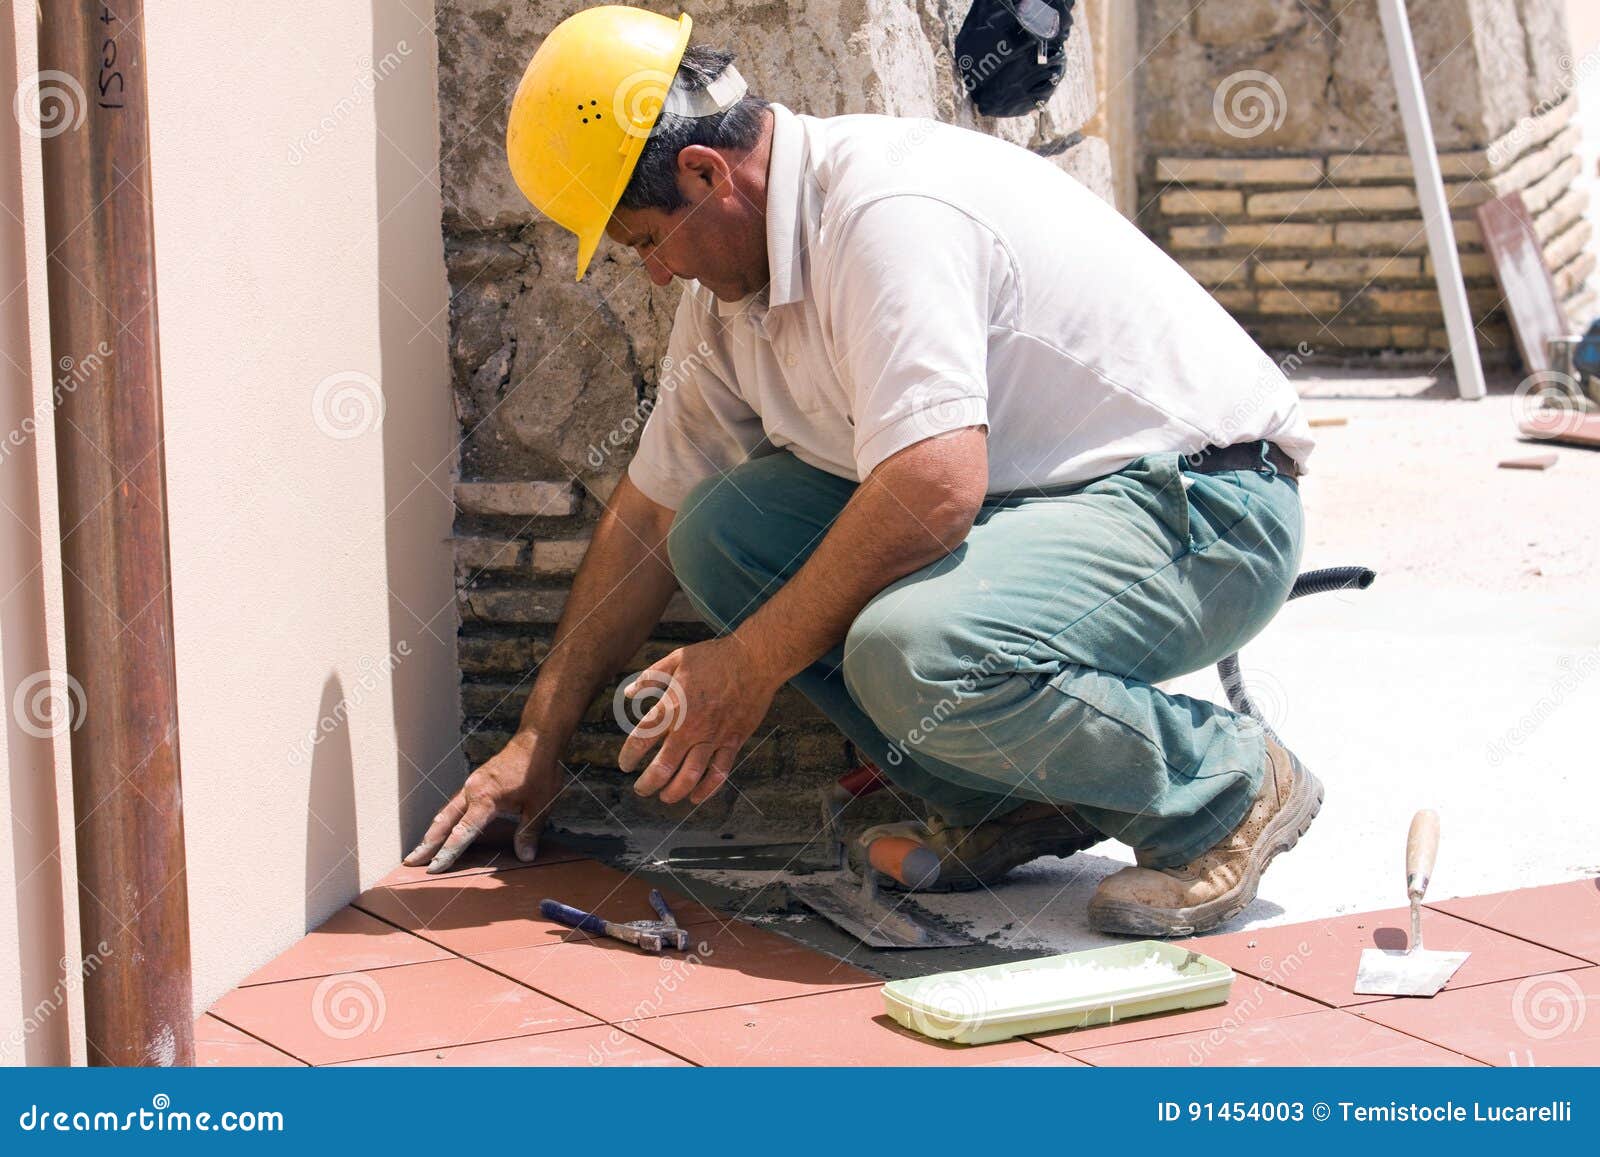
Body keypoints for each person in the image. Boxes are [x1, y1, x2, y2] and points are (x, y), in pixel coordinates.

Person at [405, 5, 1319, 936]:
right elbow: (648, 517)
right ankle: (999, 797)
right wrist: (537, 735)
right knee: (719, 531)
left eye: (645, 241)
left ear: (705, 172)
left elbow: (935, 485)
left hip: (1207, 511)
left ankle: (1228, 787)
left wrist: (748, 665)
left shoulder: (886, 216)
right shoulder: (737, 287)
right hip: (1049, 505)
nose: (653, 274)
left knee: (914, 648)